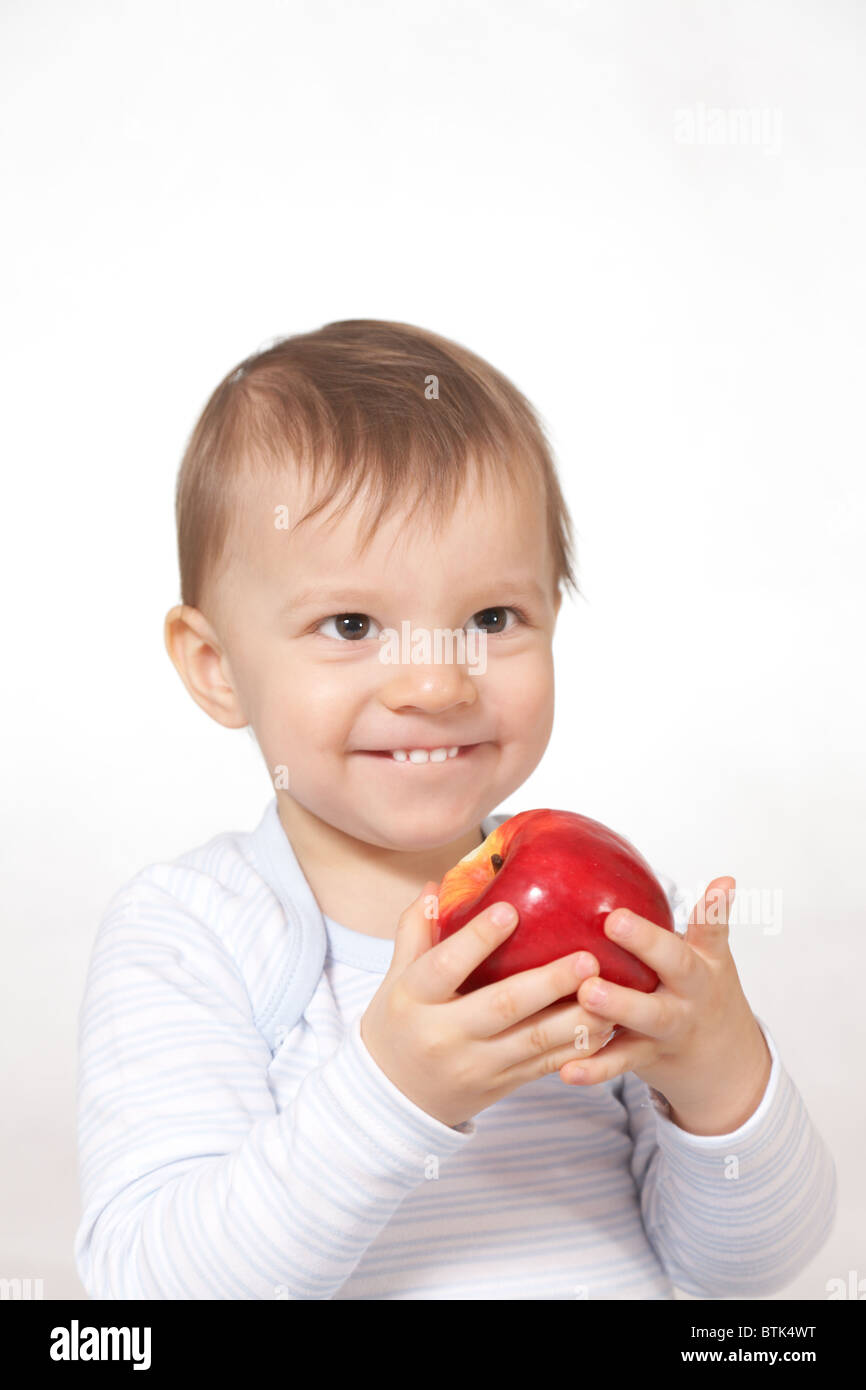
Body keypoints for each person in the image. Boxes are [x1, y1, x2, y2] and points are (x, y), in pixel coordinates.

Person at [74, 319, 836, 1299]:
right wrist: (393, 1091)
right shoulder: (192, 935)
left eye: (490, 618)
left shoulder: (614, 917)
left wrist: (720, 1078)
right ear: (216, 666)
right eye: (351, 623)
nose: (436, 685)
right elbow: (150, 1289)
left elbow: (744, 1272)